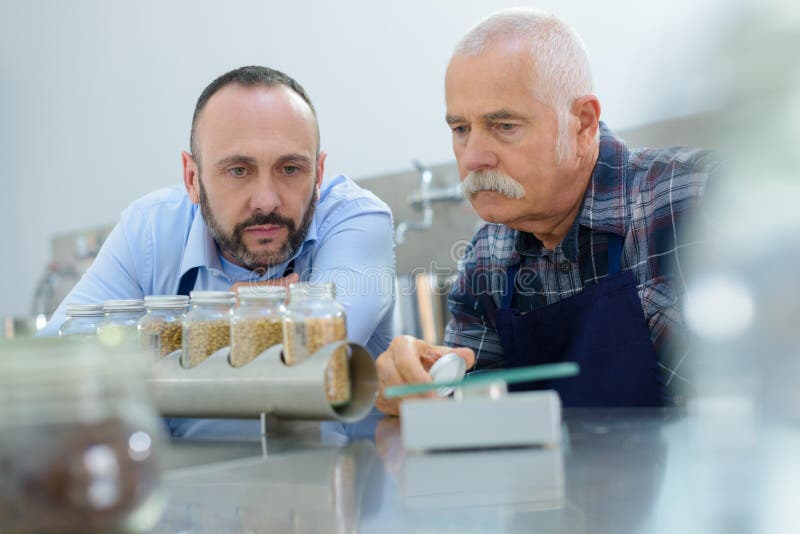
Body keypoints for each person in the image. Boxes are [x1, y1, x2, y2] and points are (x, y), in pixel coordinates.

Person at [376, 8, 716, 415]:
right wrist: (417, 390)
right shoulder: (488, 258)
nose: (473, 158)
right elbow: (467, 414)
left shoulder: (696, 199)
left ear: (583, 124)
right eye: (461, 129)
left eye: (504, 126)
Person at [41, 66, 395, 357]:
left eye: (289, 169)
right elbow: (59, 364)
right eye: (238, 171)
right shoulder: (148, 231)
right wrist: (240, 314)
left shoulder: (356, 219)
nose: (266, 201)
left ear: (318, 175)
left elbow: (321, 350)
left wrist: (174, 328)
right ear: (192, 178)